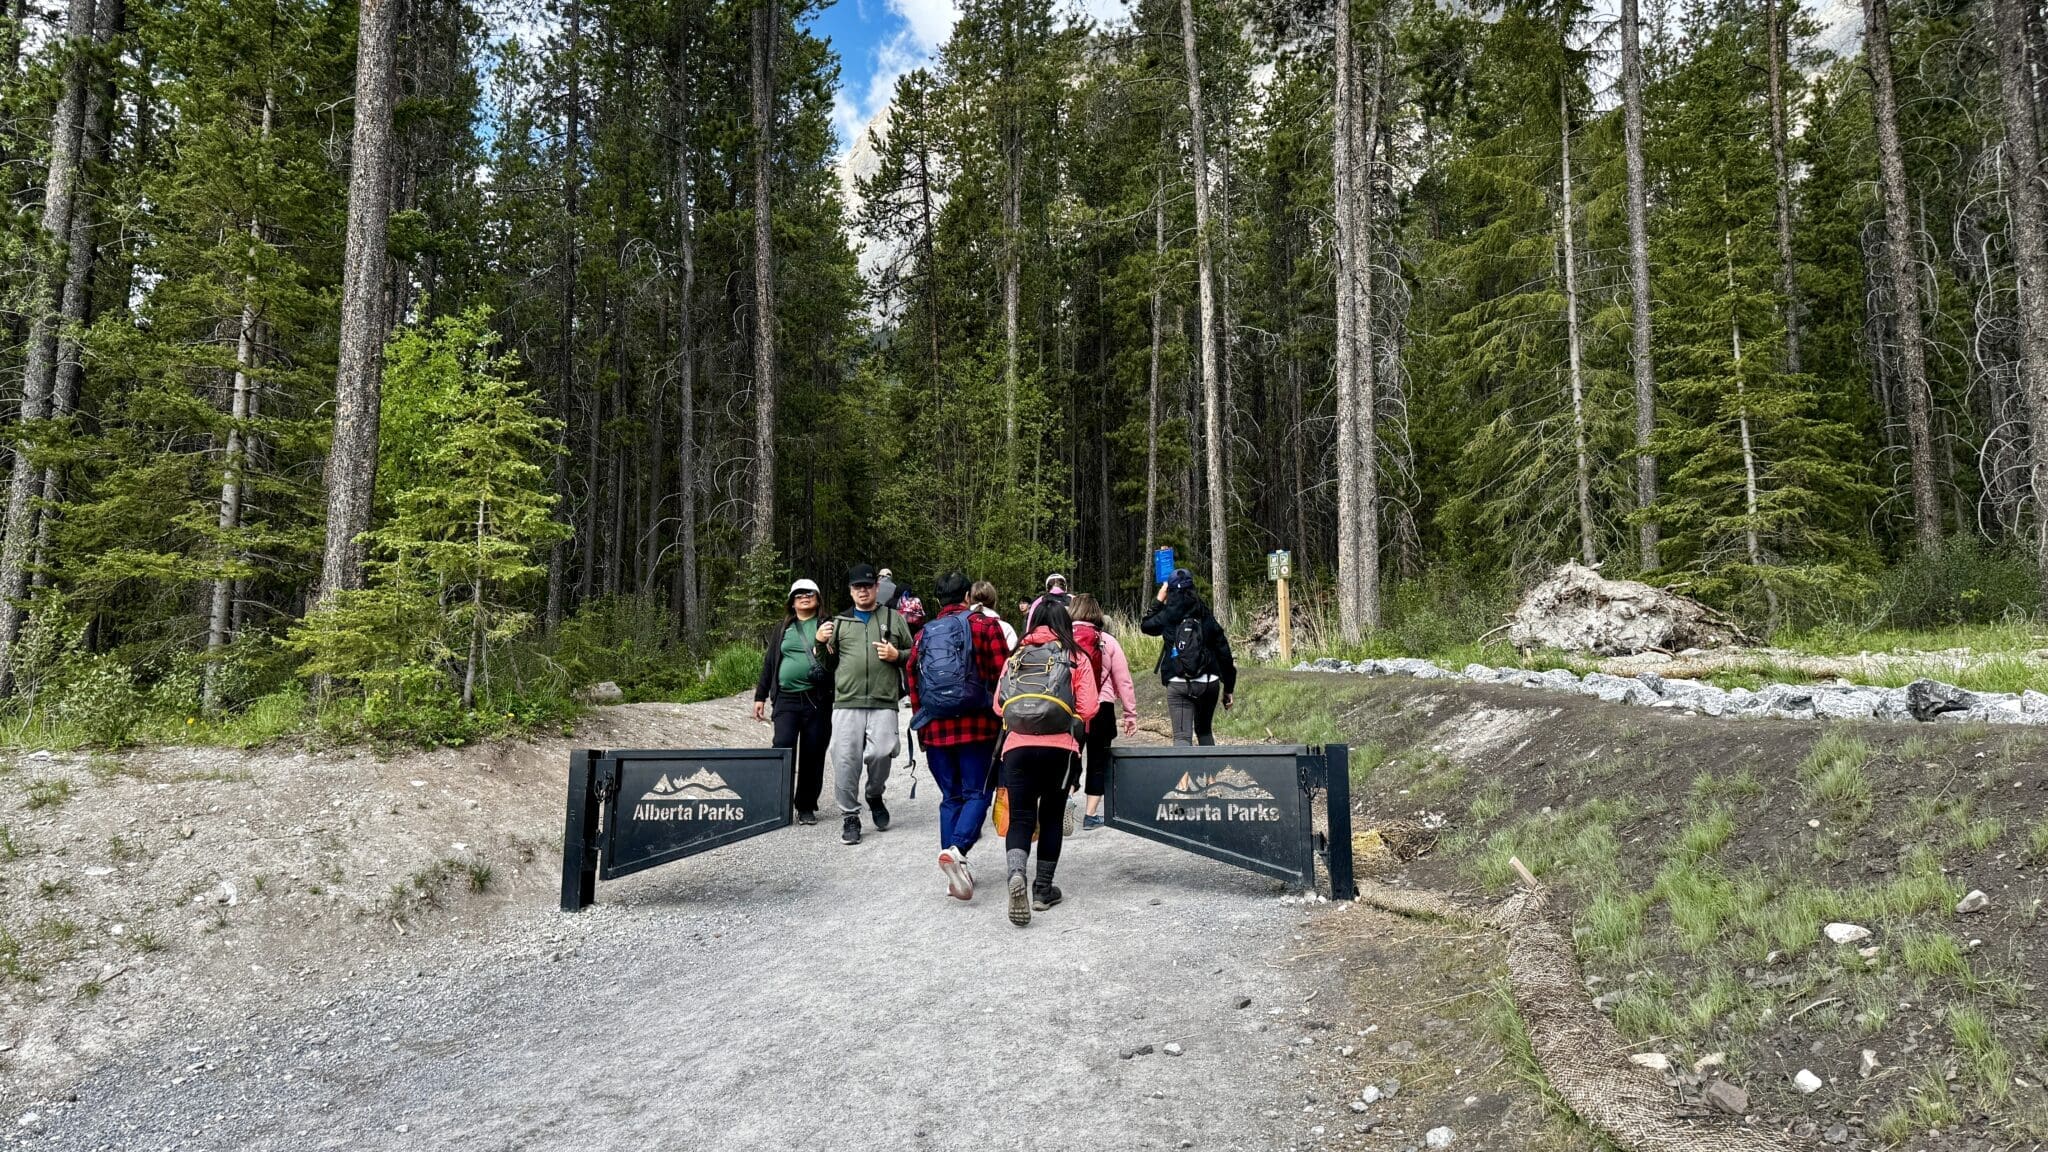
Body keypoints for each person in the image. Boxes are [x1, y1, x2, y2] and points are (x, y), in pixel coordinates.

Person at [905, 571, 1012, 900]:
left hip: (936, 729)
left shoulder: (923, 635)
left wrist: (921, 728)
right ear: (968, 596)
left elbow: (912, 679)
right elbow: (1004, 675)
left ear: (937, 600)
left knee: (951, 798)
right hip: (978, 727)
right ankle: (957, 850)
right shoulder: (985, 625)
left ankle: (955, 871)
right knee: (977, 793)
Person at [993, 601, 1099, 927]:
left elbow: (999, 707)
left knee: (1022, 817)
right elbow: (1090, 707)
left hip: (1017, 748)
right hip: (1060, 748)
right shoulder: (1074, 656)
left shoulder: (1016, 657)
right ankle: (1042, 890)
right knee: (1052, 816)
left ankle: (1016, 875)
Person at [815, 562, 915, 845]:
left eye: (868, 586)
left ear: (876, 588)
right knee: (845, 759)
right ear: (850, 591)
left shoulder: (894, 618)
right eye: (857, 587)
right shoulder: (839, 622)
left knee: (882, 753)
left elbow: (913, 654)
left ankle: (874, 793)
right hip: (847, 701)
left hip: (884, 699)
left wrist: (897, 655)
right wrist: (819, 643)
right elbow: (827, 664)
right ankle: (850, 816)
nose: (863, 591)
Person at [752, 578, 833, 824]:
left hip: (816, 698)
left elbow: (835, 661)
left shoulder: (828, 625)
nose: (804, 597)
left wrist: (824, 641)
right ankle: (779, 804)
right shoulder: (783, 627)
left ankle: (806, 806)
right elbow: (770, 663)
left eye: (809, 593)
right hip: (786, 698)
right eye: (798, 595)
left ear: (817, 599)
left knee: (812, 752)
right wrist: (760, 695)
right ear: (792, 601)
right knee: (783, 745)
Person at [1140, 568, 1237, 746]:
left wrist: (1159, 600)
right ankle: (1211, 775)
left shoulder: (1167, 615)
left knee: (1182, 738)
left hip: (1178, 683)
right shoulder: (1205, 615)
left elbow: (1146, 625)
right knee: (1205, 732)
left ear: (1169, 590)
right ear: (1193, 588)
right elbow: (1224, 653)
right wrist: (1228, 688)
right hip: (1209, 682)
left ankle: (1184, 774)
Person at [1068, 594, 1138, 829]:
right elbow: (1124, 680)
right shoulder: (1107, 641)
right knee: (1098, 762)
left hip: (1069, 710)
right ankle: (1090, 815)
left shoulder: (1062, 639)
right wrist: (1130, 714)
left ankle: (1065, 799)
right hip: (1101, 708)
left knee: (1070, 758)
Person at [971, 580, 1018, 650]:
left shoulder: (962, 624)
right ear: (994, 602)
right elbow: (1012, 657)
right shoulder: (1005, 628)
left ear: (968, 599)